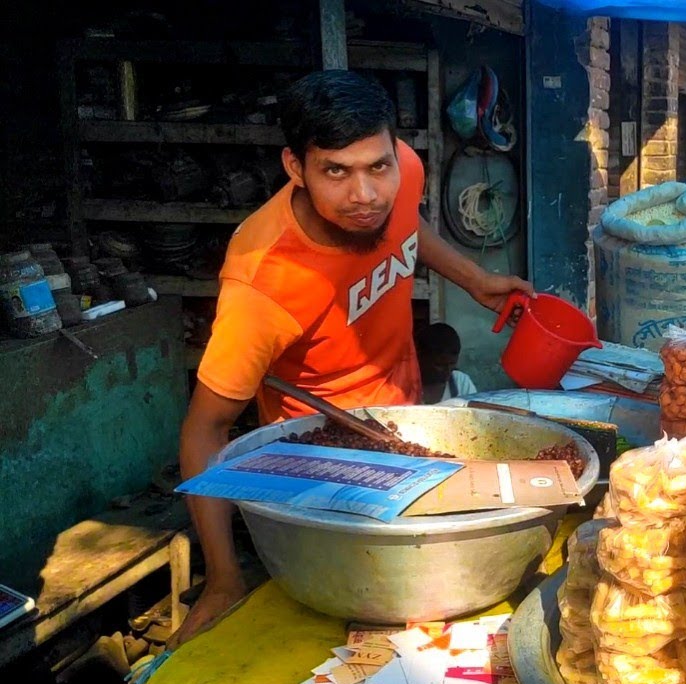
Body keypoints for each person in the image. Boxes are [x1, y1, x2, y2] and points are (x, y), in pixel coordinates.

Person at [174, 70, 533, 644]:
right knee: (360, 624)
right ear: (297, 168)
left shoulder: (403, 173)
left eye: (377, 167)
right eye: (336, 172)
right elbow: (204, 429)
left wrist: (474, 278)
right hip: (324, 467)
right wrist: (222, 576)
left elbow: (405, 226)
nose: (365, 196)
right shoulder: (262, 285)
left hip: (405, 418)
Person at [416, 322, 477, 403]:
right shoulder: (405, 385)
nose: (447, 371)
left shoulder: (461, 382)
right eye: (439, 365)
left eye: (452, 364)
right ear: (421, 358)